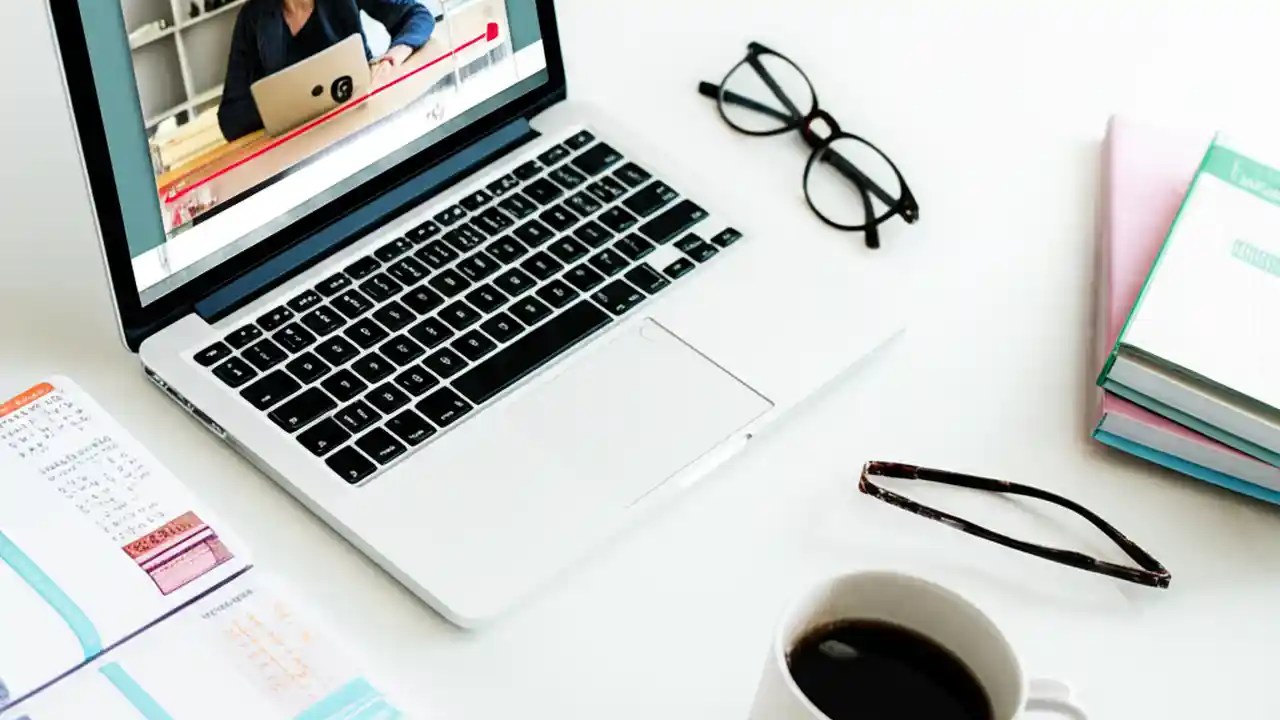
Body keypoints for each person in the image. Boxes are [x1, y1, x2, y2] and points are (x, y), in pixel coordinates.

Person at [217, 0, 435, 141]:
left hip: (363, 122)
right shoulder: (253, 17)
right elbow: (231, 118)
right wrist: (284, 105)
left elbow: (417, 15)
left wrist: (390, 59)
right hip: (297, 147)